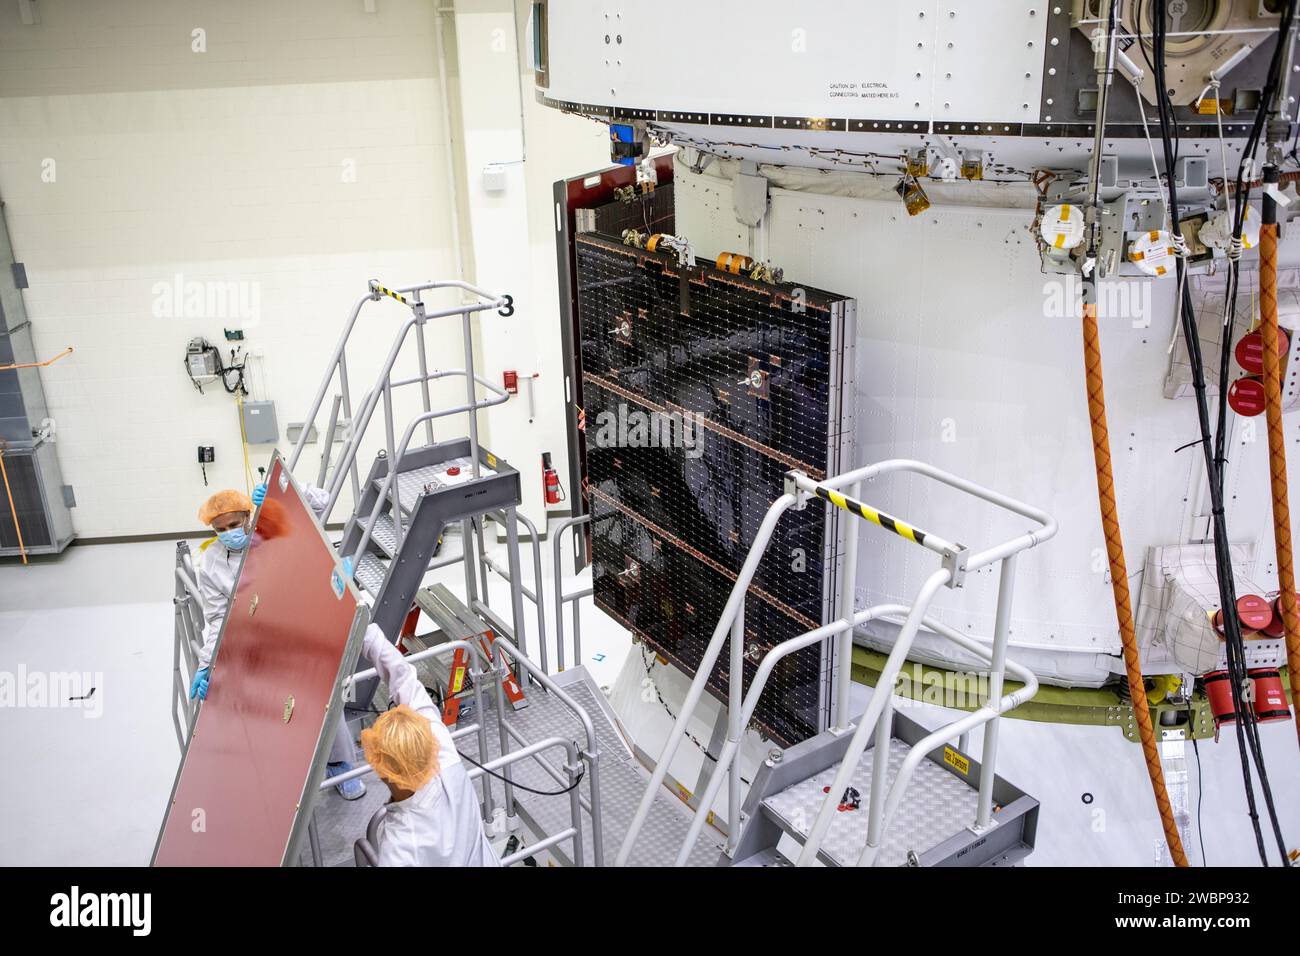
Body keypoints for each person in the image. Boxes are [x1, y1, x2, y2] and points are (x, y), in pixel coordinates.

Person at [190, 482, 365, 800]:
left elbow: (321, 504)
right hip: (258, 641)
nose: (229, 532)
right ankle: (292, 767)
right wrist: (207, 665)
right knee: (274, 706)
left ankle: (340, 765)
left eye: (234, 523)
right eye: (221, 529)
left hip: (296, 625)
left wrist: (283, 492)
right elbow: (218, 619)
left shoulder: (268, 526)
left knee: (322, 692)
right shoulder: (212, 563)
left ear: (247, 515)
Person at [359, 622, 501, 866]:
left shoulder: (401, 848)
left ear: (384, 772)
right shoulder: (443, 753)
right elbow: (404, 679)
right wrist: (364, 630)